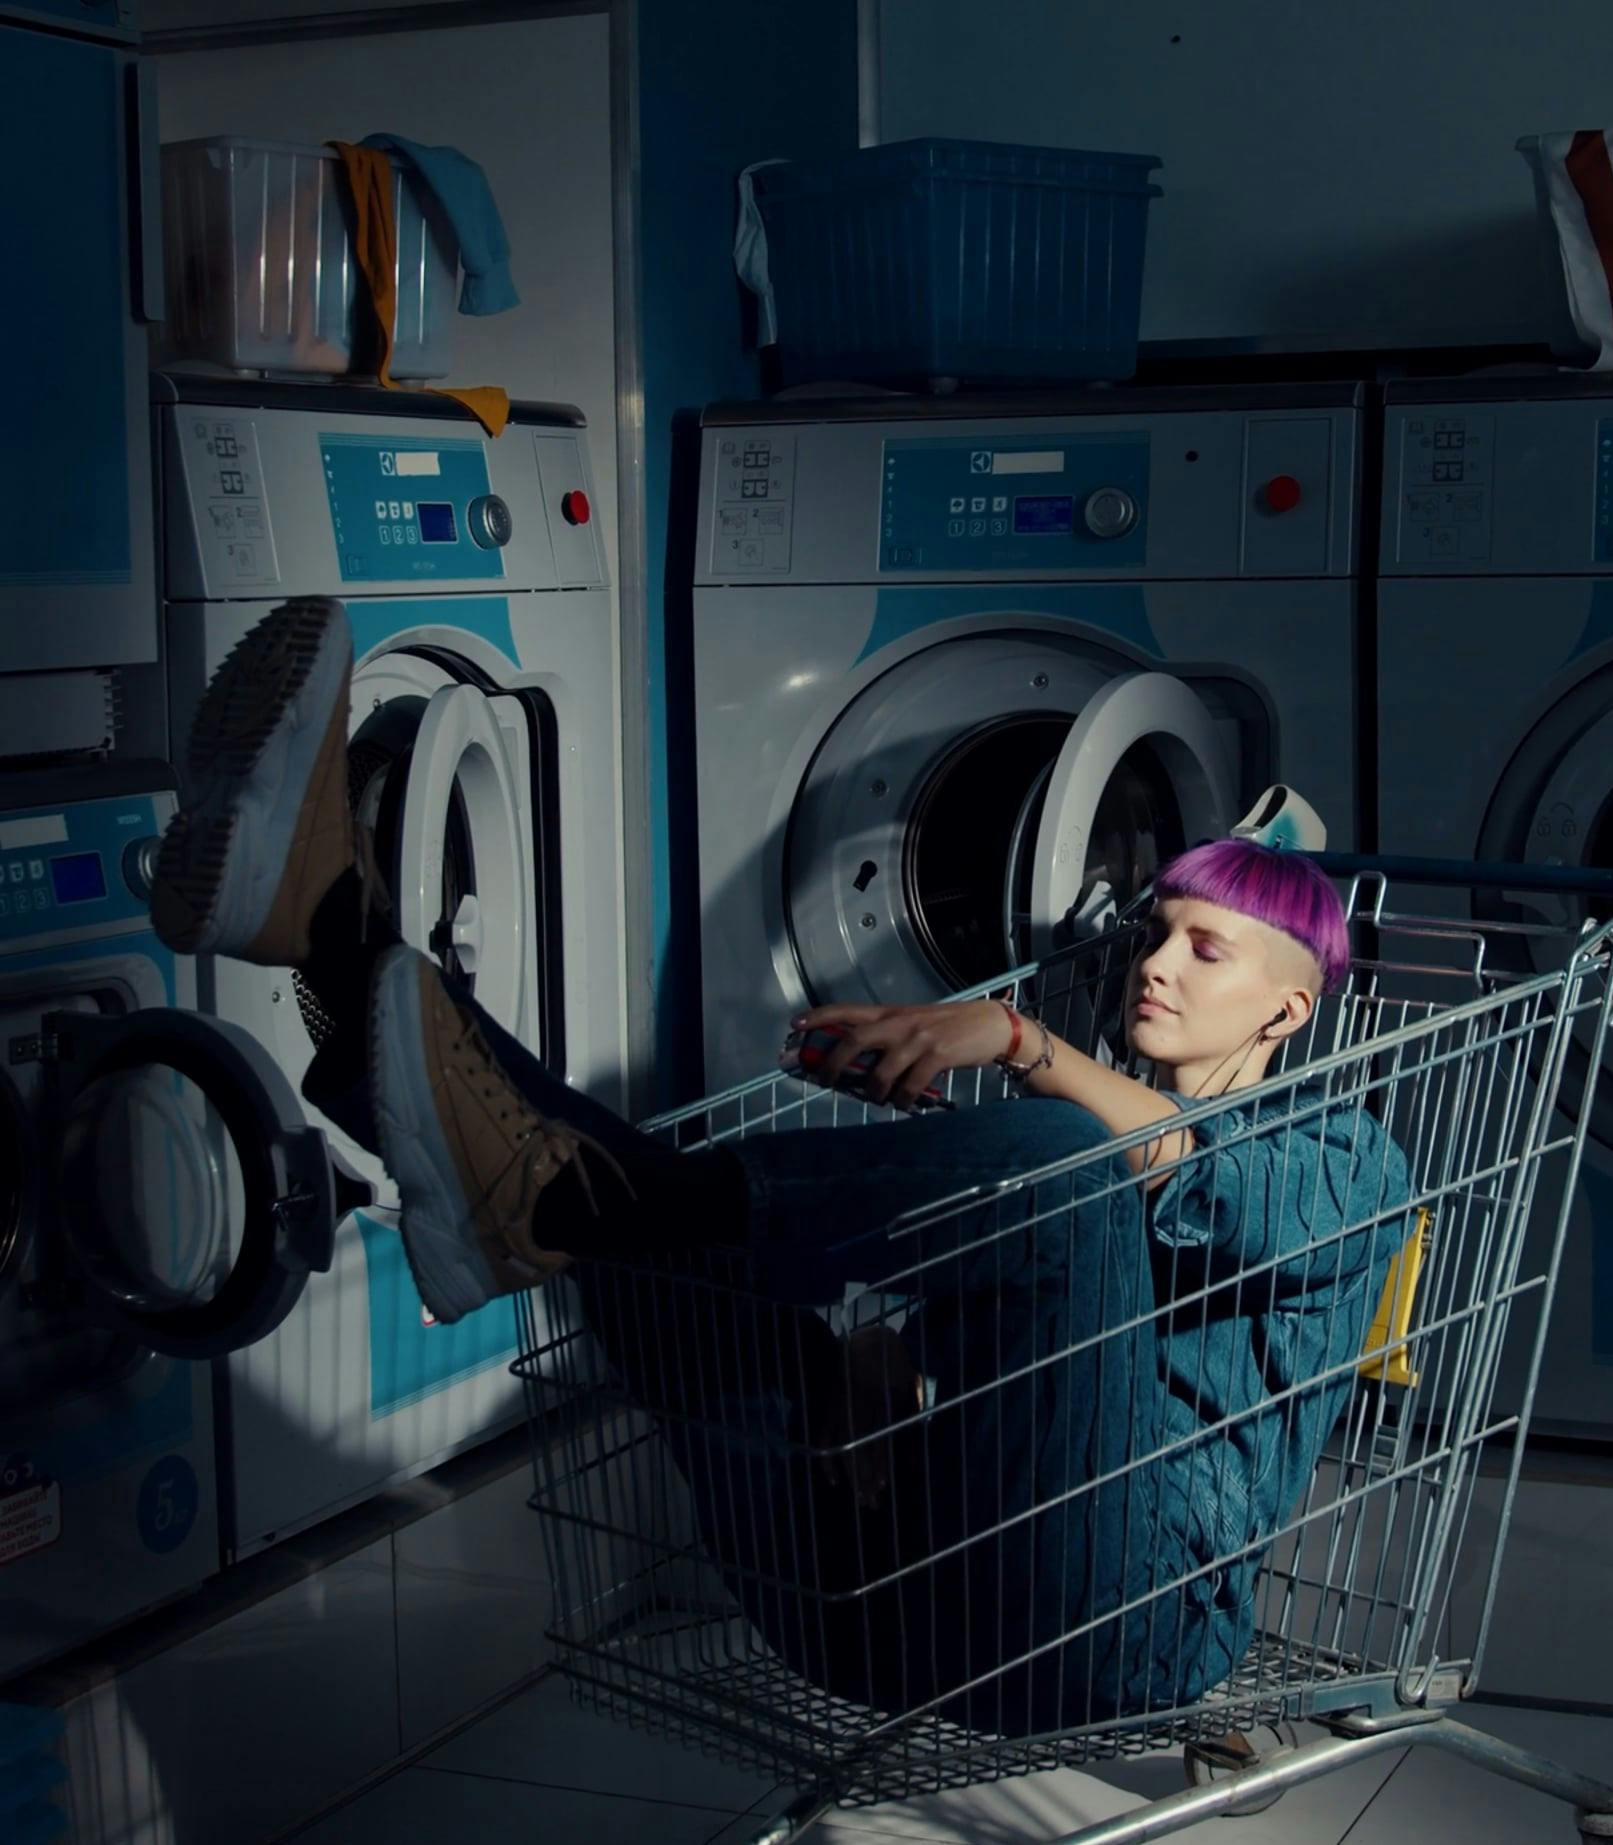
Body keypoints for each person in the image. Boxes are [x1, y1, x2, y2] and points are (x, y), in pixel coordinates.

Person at [153, 597, 1412, 1738]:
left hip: (1121, 1626)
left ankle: (557, 1166)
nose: (1156, 963)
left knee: (1048, 1164)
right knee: (684, 1258)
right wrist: (881, 1377)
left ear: (1286, 1014)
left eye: (1205, 950)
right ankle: (327, 930)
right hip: (881, 1601)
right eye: (1158, 932)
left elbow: (1190, 1181)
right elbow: (965, 1363)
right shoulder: (1075, 1185)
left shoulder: (1355, 1162)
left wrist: (1017, 1040)